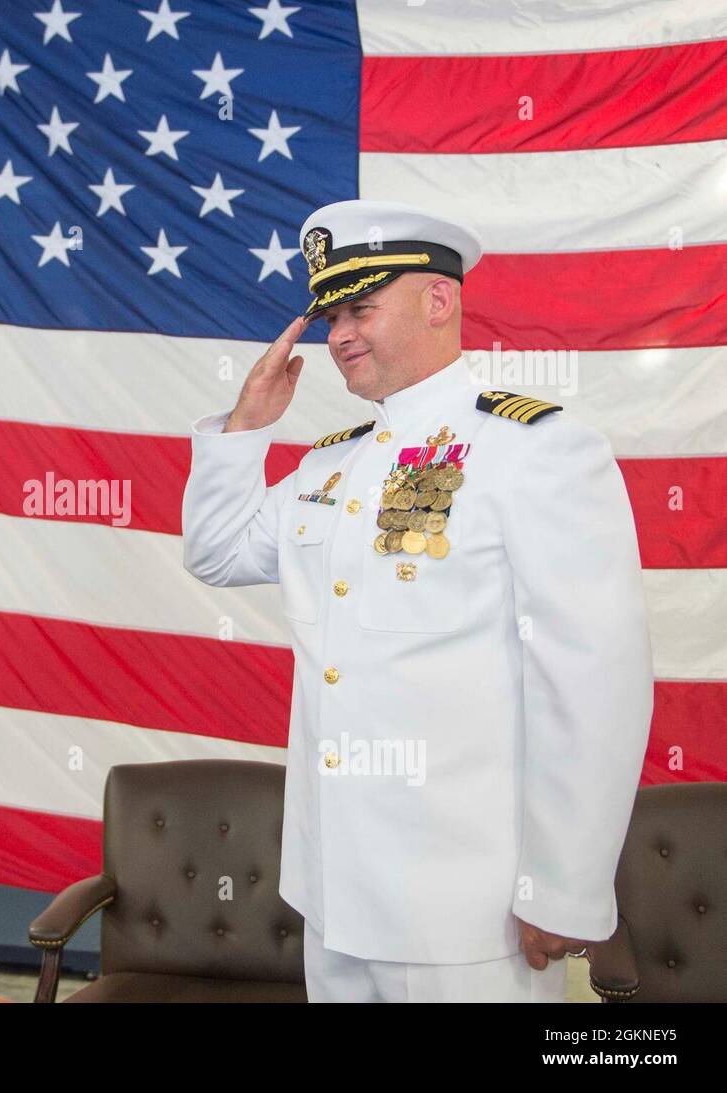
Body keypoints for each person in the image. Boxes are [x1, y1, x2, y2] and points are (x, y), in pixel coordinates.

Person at [181, 200, 653, 1002]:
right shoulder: (332, 467)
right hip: (333, 895)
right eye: (333, 313)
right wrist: (245, 428)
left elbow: (593, 680)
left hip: (466, 914)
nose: (339, 335)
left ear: (440, 301)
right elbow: (216, 550)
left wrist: (563, 889)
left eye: (360, 307)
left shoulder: (535, 450)